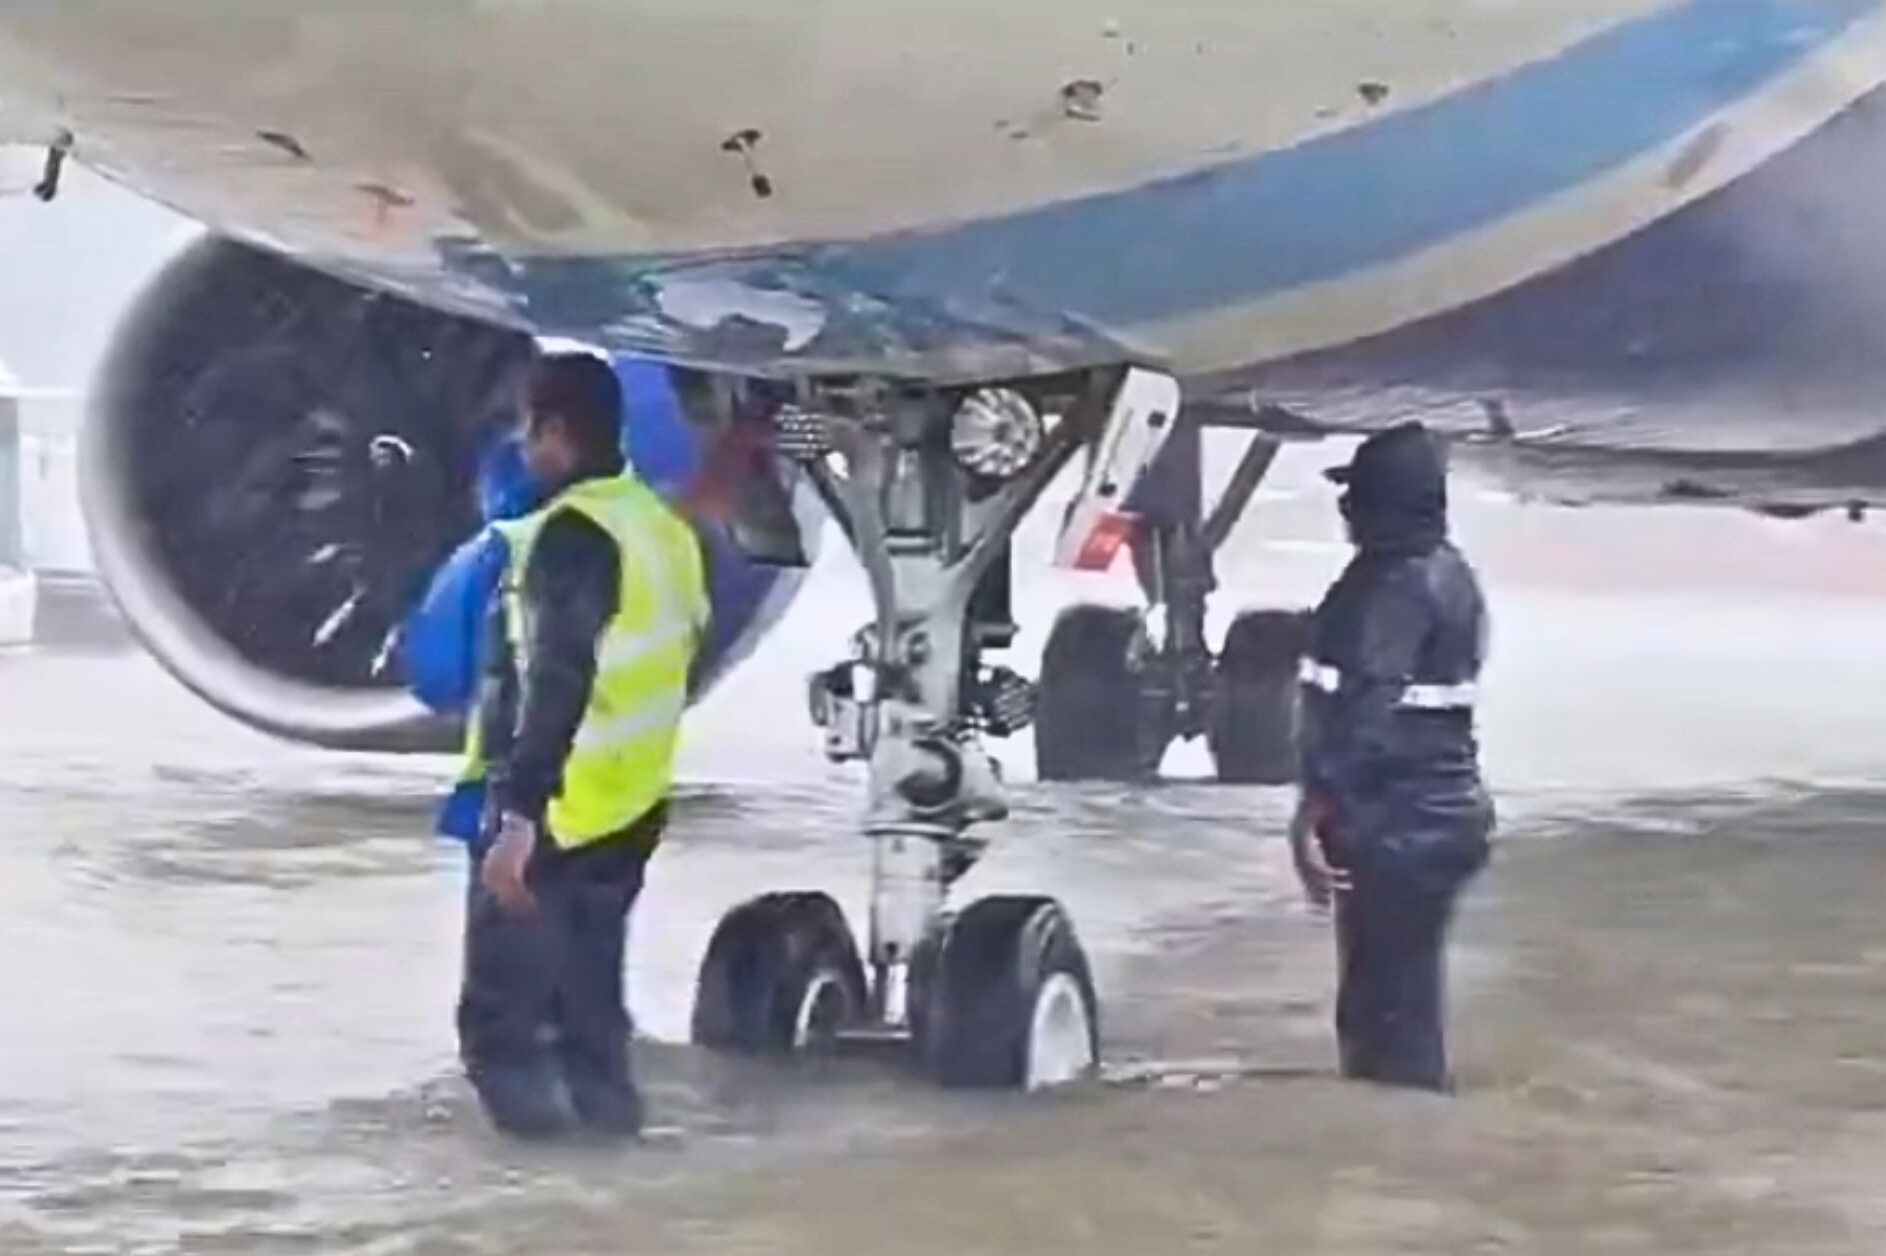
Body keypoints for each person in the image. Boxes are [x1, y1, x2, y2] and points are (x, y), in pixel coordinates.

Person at [451, 349, 710, 1140]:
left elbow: (559, 680)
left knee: (504, 1033)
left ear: (556, 431)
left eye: (530, 433)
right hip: (628, 812)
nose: (525, 451)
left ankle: (543, 1208)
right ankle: (608, 1191)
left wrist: (520, 817)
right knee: (591, 1029)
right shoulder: (663, 531)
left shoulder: (573, 535)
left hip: (557, 819)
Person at [1289, 421, 1495, 1093]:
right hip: (1440, 816)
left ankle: (1406, 1140)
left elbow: (1364, 717)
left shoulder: (1387, 587)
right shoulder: (1448, 571)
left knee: (1383, 1022)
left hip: (1397, 822)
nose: (1344, 510)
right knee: (1400, 1003)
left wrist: (1316, 814)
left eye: (1355, 496)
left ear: (1380, 505)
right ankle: (1407, 1136)